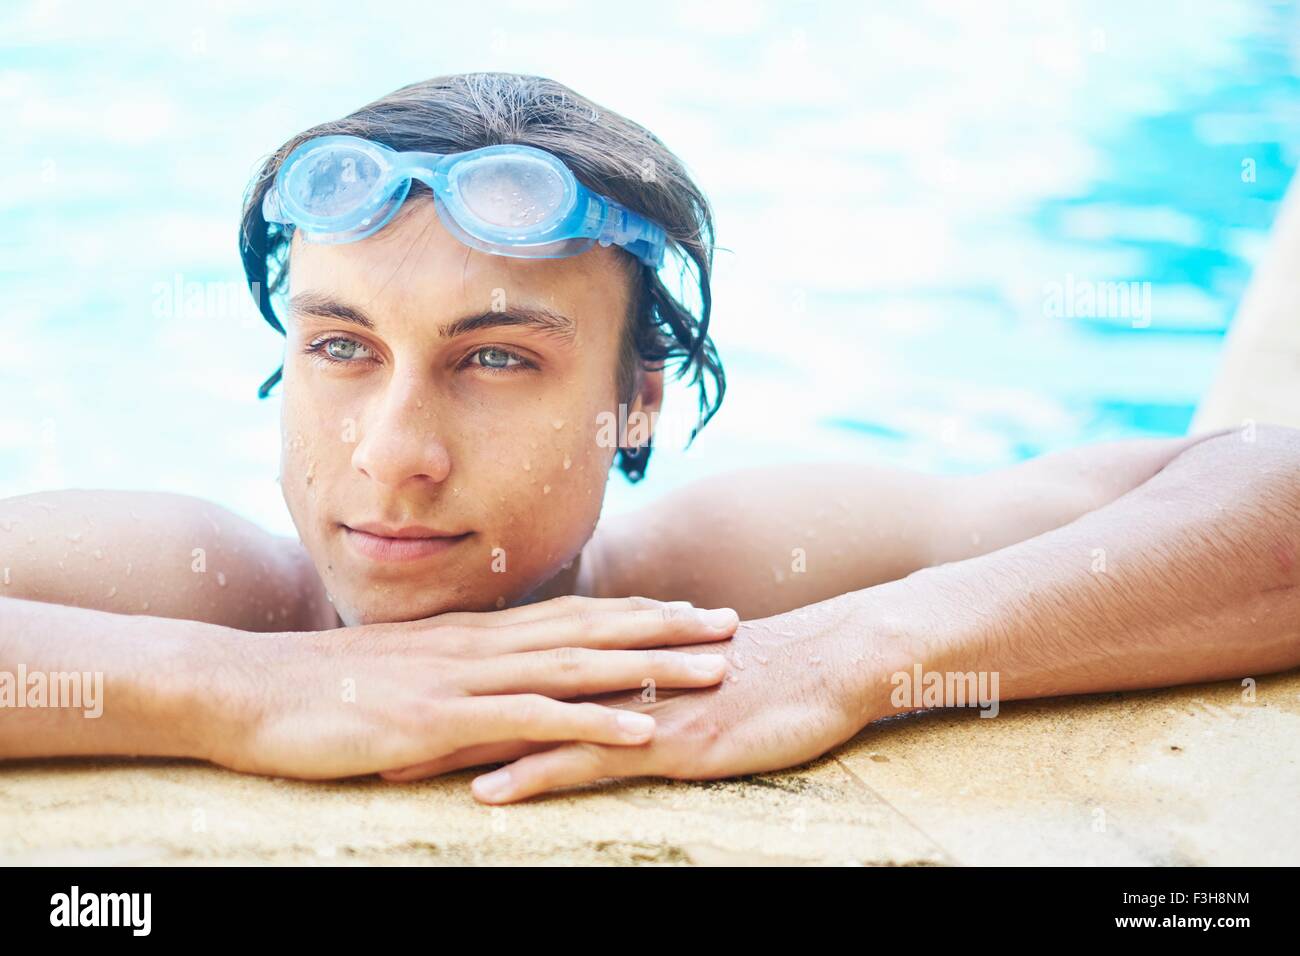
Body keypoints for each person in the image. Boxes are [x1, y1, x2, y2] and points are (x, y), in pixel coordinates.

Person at [2, 73, 1297, 806]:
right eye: (341, 345)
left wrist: (851, 651)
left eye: (496, 358)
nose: (393, 456)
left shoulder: (732, 582)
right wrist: (236, 687)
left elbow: (1265, 477)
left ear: (642, 403)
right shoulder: (200, 589)